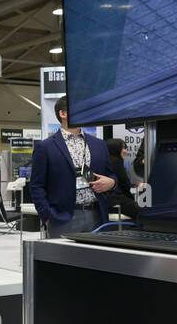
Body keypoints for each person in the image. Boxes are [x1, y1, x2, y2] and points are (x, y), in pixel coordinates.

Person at [28, 98, 115, 237]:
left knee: (96, 258)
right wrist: (48, 216)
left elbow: (112, 175)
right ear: (62, 113)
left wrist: (112, 183)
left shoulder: (99, 145)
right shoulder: (45, 147)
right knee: (62, 258)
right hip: (62, 218)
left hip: (97, 215)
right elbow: (36, 186)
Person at [104, 137, 138, 218]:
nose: (125, 151)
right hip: (116, 200)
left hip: (108, 201)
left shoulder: (106, 161)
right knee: (143, 212)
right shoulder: (116, 162)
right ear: (115, 149)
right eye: (123, 148)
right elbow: (125, 184)